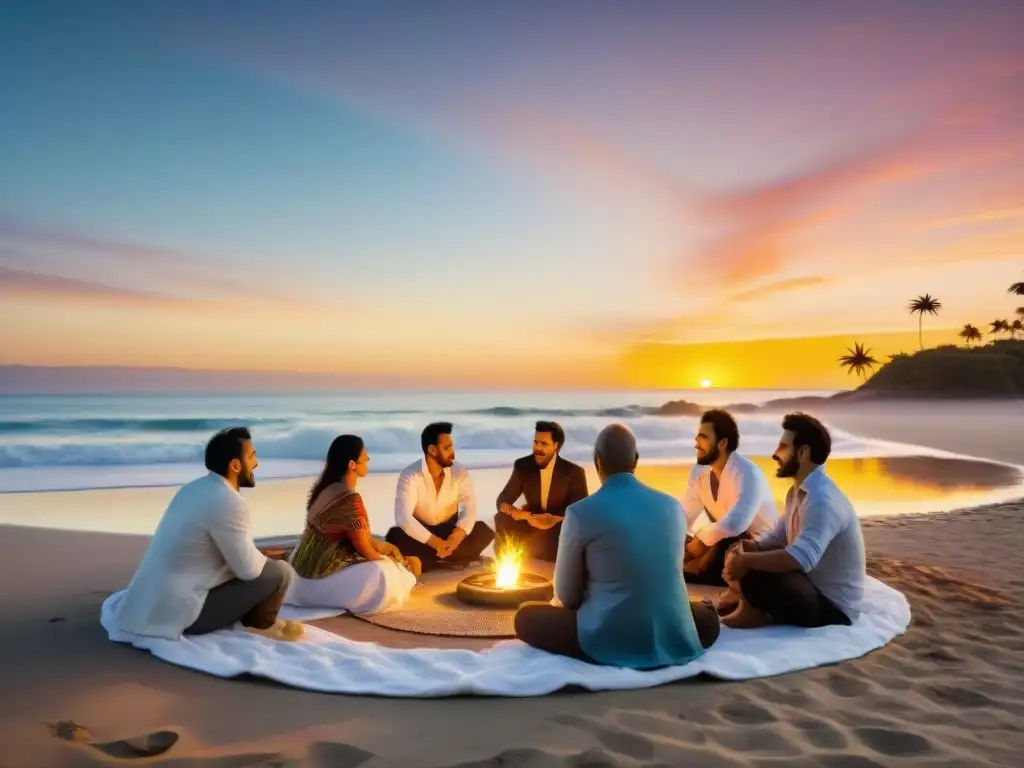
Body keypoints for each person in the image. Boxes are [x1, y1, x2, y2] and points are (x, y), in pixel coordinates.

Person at [515, 423, 720, 669]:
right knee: (707, 616)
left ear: (597, 461)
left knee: (525, 616)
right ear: (635, 460)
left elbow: (567, 597)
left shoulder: (580, 513)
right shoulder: (672, 507)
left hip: (609, 637)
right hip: (670, 633)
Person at [111, 427, 301, 641]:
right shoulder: (228, 501)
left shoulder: (192, 489)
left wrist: (258, 556)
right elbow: (247, 572)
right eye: (252, 456)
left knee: (265, 563)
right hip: (179, 615)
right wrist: (267, 559)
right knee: (280, 572)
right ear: (236, 465)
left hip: (144, 605)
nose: (256, 463)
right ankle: (261, 626)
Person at [721, 412, 866, 630]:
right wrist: (751, 547)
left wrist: (748, 561)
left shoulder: (822, 500)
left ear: (802, 452)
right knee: (742, 547)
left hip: (831, 607)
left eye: (782, 447)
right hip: (808, 584)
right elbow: (778, 537)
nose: (775, 454)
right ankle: (750, 602)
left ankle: (753, 609)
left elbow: (801, 559)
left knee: (754, 567)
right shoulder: (798, 492)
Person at [286, 435, 420, 614]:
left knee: (391, 556)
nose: (368, 459)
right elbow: (364, 547)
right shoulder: (350, 500)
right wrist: (389, 562)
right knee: (383, 571)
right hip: (319, 580)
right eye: (365, 456)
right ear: (352, 464)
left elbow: (351, 536)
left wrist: (384, 548)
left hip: (301, 573)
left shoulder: (324, 488)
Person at [680, 409, 780, 601]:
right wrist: (672, 535)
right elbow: (685, 514)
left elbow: (736, 524)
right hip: (721, 541)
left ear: (722, 443)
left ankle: (695, 568)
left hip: (758, 547)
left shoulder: (747, 473)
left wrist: (700, 542)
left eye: (703, 437)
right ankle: (691, 566)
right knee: (677, 536)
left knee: (727, 545)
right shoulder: (700, 472)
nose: (696, 443)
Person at [385, 422, 495, 572]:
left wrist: (456, 538)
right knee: (395, 536)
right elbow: (403, 517)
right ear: (432, 450)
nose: (452, 452)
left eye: (452, 446)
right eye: (447, 448)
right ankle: (452, 557)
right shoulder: (410, 475)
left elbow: (468, 509)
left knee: (483, 531)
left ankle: (432, 560)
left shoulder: (460, 472)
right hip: (422, 535)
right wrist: (436, 544)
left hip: (450, 530)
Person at [495, 421, 589, 561]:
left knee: (572, 534)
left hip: (557, 527)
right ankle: (524, 553)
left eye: (543, 444)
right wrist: (518, 513)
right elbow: (503, 500)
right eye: (535, 442)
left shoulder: (573, 472)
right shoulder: (523, 466)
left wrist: (553, 519)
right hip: (531, 523)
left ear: (556, 446)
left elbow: (580, 514)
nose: (537, 448)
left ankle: (540, 552)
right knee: (501, 518)